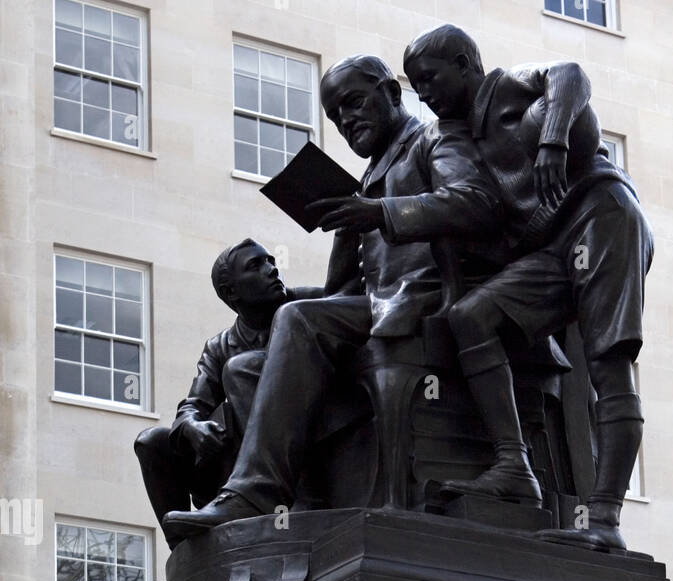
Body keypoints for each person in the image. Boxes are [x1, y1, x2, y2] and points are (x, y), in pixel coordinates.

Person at [163, 56, 503, 541]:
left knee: (297, 318)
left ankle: (253, 493)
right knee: (245, 368)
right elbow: (344, 291)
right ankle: (305, 503)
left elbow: (478, 203)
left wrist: (379, 212)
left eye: (354, 103)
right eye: (336, 115)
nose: (347, 120)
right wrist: (348, 230)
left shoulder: (435, 139)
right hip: (380, 305)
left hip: (432, 301)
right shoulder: (366, 180)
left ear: (390, 92)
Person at [403, 24, 654, 551]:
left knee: (610, 368)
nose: (423, 93)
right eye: (414, 84)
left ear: (466, 65)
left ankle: (604, 518)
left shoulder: (505, 86)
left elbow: (570, 74)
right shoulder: (458, 138)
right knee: (471, 316)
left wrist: (555, 140)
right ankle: (514, 464)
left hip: (602, 216)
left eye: (428, 77)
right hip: (555, 247)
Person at [135, 240, 293, 548]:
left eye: (271, 261)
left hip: (297, 450)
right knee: (151, 442)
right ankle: (186, 558)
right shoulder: (220, 346)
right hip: (231, 459)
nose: (272, 269)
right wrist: (195, 428)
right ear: (231, 292)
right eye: (256, 265)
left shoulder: (301, 309)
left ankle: (260, 492)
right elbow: (191, 407)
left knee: (240, 368)